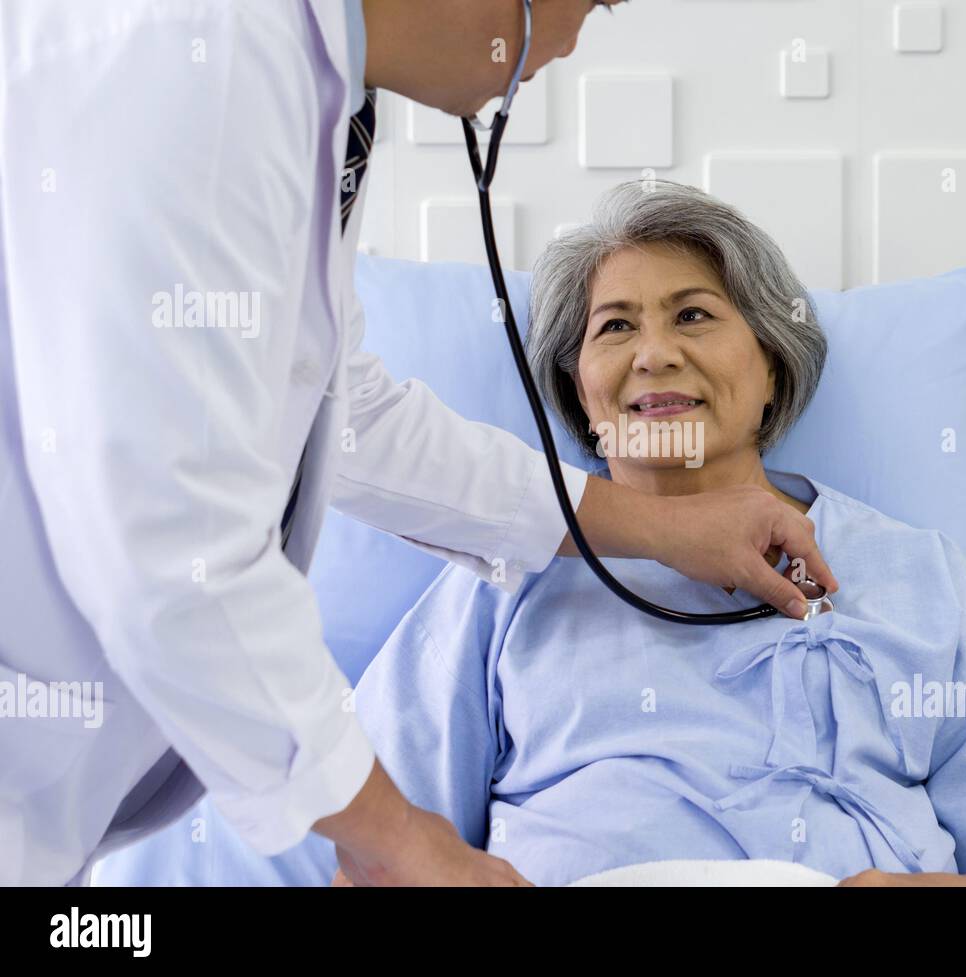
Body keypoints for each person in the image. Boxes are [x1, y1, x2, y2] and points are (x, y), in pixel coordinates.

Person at [0, 0, 835, 886]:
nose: (568, 44)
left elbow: (341, 409)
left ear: (777, 365)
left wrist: (659, 528)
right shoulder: (200, 50)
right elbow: (168, 537)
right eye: (587, 5)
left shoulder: (318, 98)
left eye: (696, 315)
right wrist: (393, 836)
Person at [344, 181, 966, 886]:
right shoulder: (503, 571)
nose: (655, 354)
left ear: (772, 363)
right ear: (582, 396)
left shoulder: (916, 573)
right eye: (615, 326)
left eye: (693, 315)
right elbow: (370, 862)